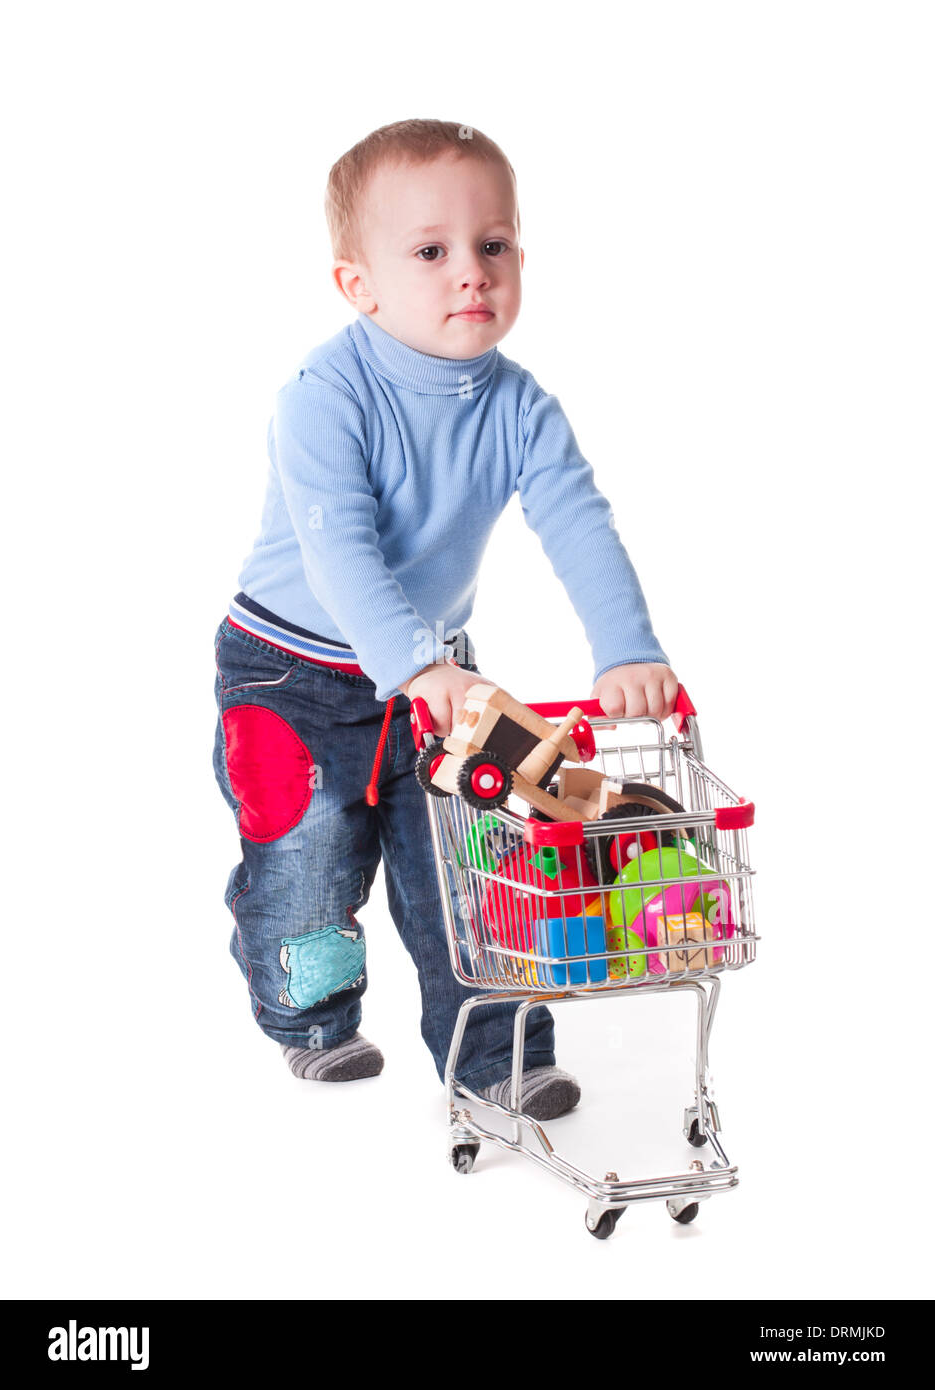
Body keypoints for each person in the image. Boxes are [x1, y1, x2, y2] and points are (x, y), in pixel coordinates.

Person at [212, 118, 679, 1121]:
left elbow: (578, 523)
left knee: (477, 864)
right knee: (308, 866)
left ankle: (494, 1056)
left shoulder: (521, 407)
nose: (470, 272)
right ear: (358, 284)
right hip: (292, 674)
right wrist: (419, 666)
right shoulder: (323, 397)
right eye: (430, 252)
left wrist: (626, 646)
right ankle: (306, 1010)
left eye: (493, 246)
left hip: (438, 675)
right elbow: (342, 557)